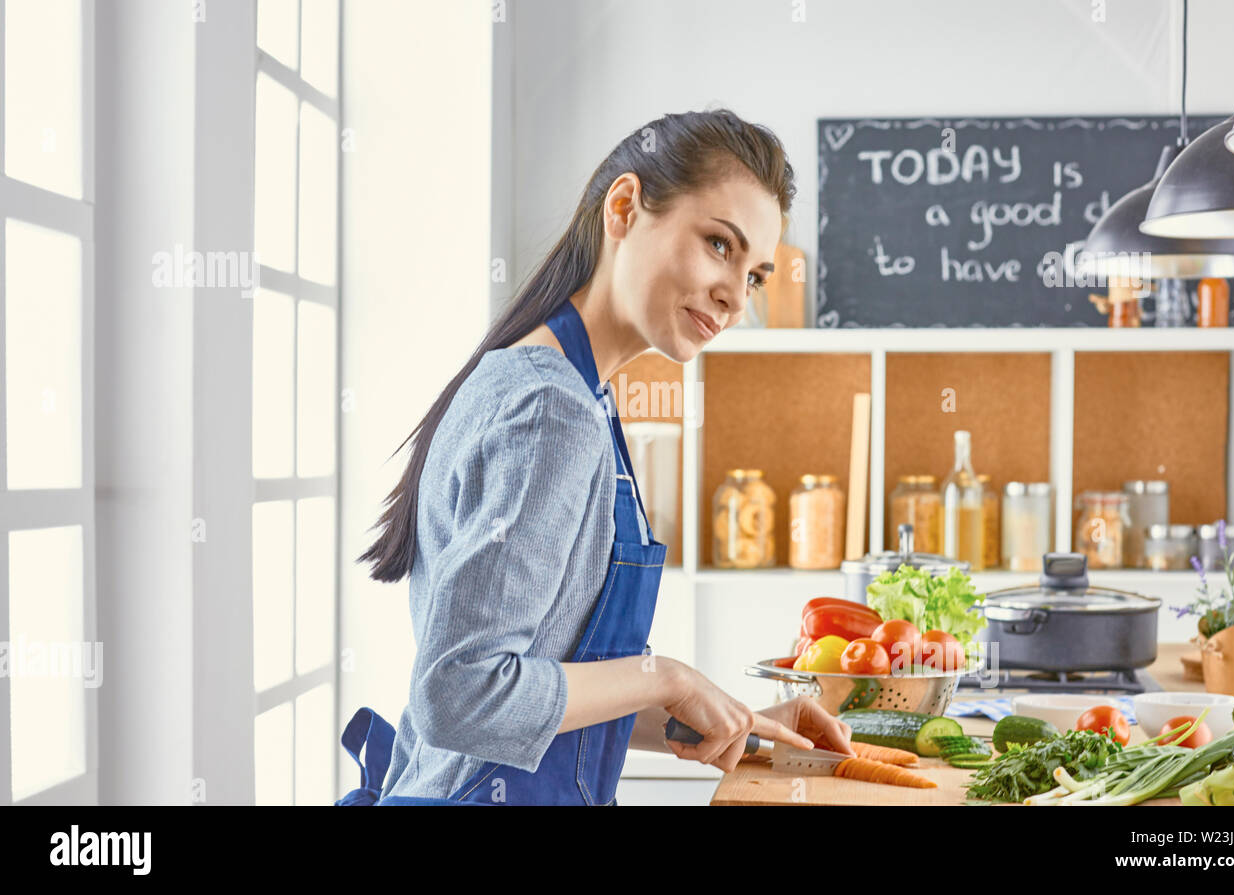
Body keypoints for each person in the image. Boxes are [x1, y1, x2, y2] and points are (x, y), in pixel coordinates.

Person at [337, 108, 853, 806]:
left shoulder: (570, 393)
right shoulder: (551, 411)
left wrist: (729, 718)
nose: (736, 296)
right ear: (624, 208)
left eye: (756, 274)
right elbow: (459, 693)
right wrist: (666, 677)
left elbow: (538, 688)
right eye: (718, 244)